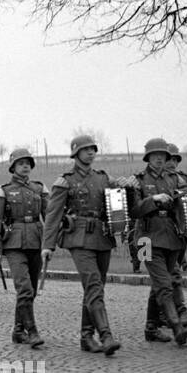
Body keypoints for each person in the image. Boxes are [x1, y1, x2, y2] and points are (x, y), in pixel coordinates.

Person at [41, 134, 123, 356]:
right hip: (78, 238)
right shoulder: (65, 181)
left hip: (102, 237)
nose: (91, 153)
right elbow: (53, 215)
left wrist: (127, 186)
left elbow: (119, 200)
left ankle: (87, 336)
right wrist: (47, 245)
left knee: (95, 288)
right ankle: (106, 336)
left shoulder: (103, 178)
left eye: (93, 149)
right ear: (76, 154)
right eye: (86, 150)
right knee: (94, 285)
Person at [132, 138, 187, 345]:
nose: (159, 159)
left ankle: (151, 328)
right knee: (164, 284)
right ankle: (176, 325)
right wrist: (154, 200)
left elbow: (186, 200)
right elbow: (134, 210)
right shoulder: (138, 180)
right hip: (145, 239)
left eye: (163, 155)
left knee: (159, 283)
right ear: (148, 157)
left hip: (171, 236)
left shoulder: (174, 179)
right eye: (155, 155)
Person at [0, 148, 46, 347]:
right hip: (14, 244)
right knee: (25, 289)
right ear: (13, 167)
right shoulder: (3, 191)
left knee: (32, 291)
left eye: (28, 163)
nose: (25, 166)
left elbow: (51, 216)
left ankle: (18, 330)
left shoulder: (39, 189)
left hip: (36, 241)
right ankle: (33, 332)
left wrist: (51, 243)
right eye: (21, 163)